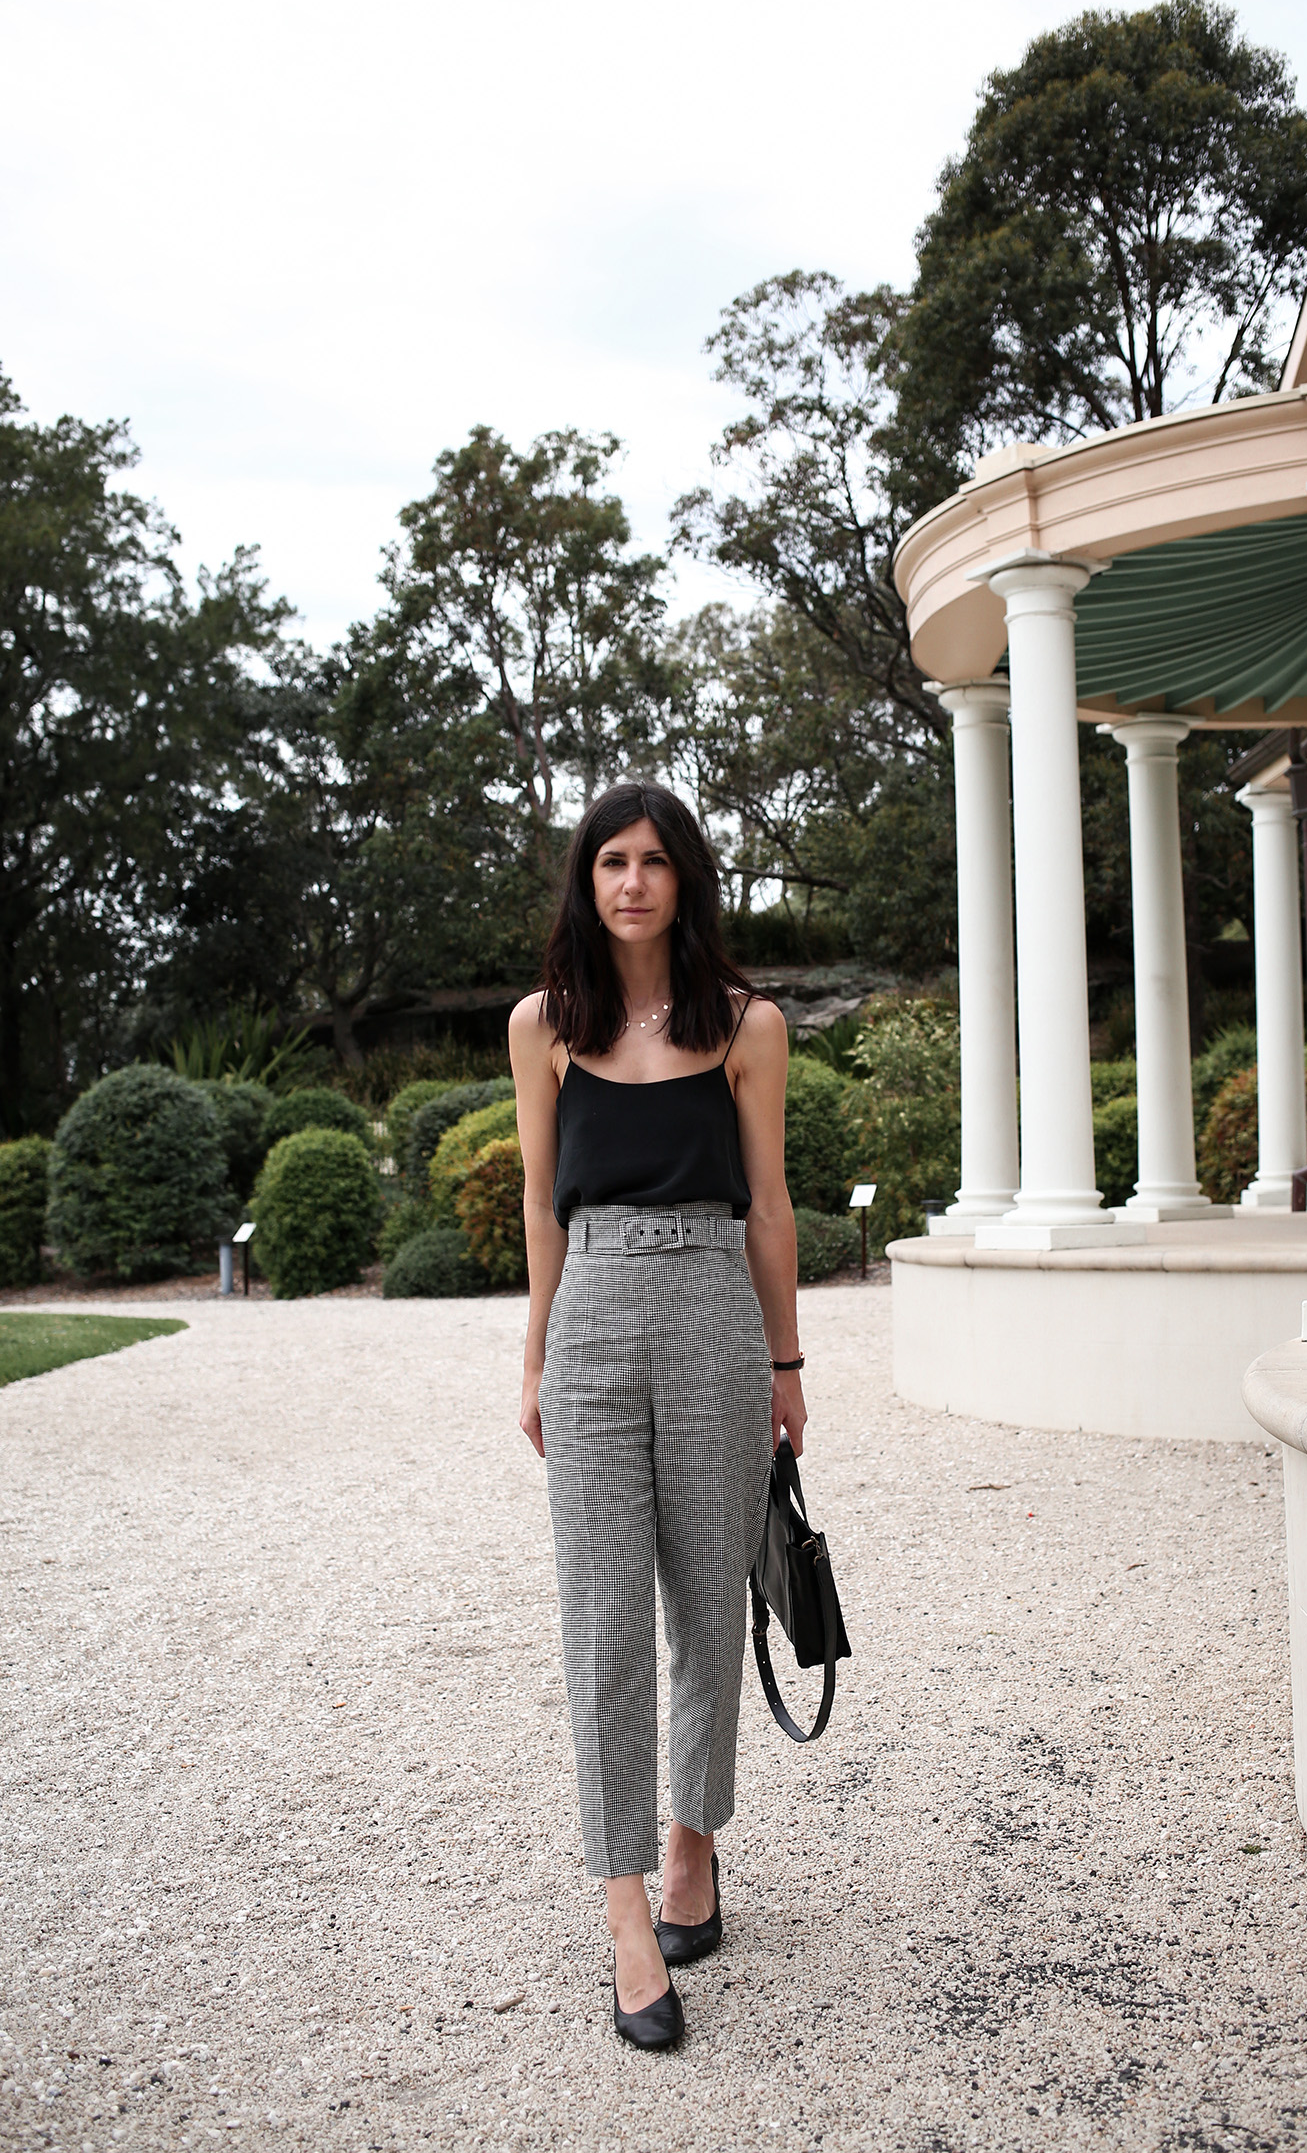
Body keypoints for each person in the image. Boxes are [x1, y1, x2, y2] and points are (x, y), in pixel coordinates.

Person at [509, 781, 807, 2051]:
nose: (630, 882)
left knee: (704, 1602)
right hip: (591, 1320)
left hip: (711, 1315)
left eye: (653, 862)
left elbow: (773, 1208)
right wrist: (532, 1358)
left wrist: (787, 1364)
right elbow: (538, 1204)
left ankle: (695, 1845)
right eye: (608, 861)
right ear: (586, 880)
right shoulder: (544, 1025)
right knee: (602, 1622)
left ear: (686, 878)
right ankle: (626, 1910)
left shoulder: (748, 1022)